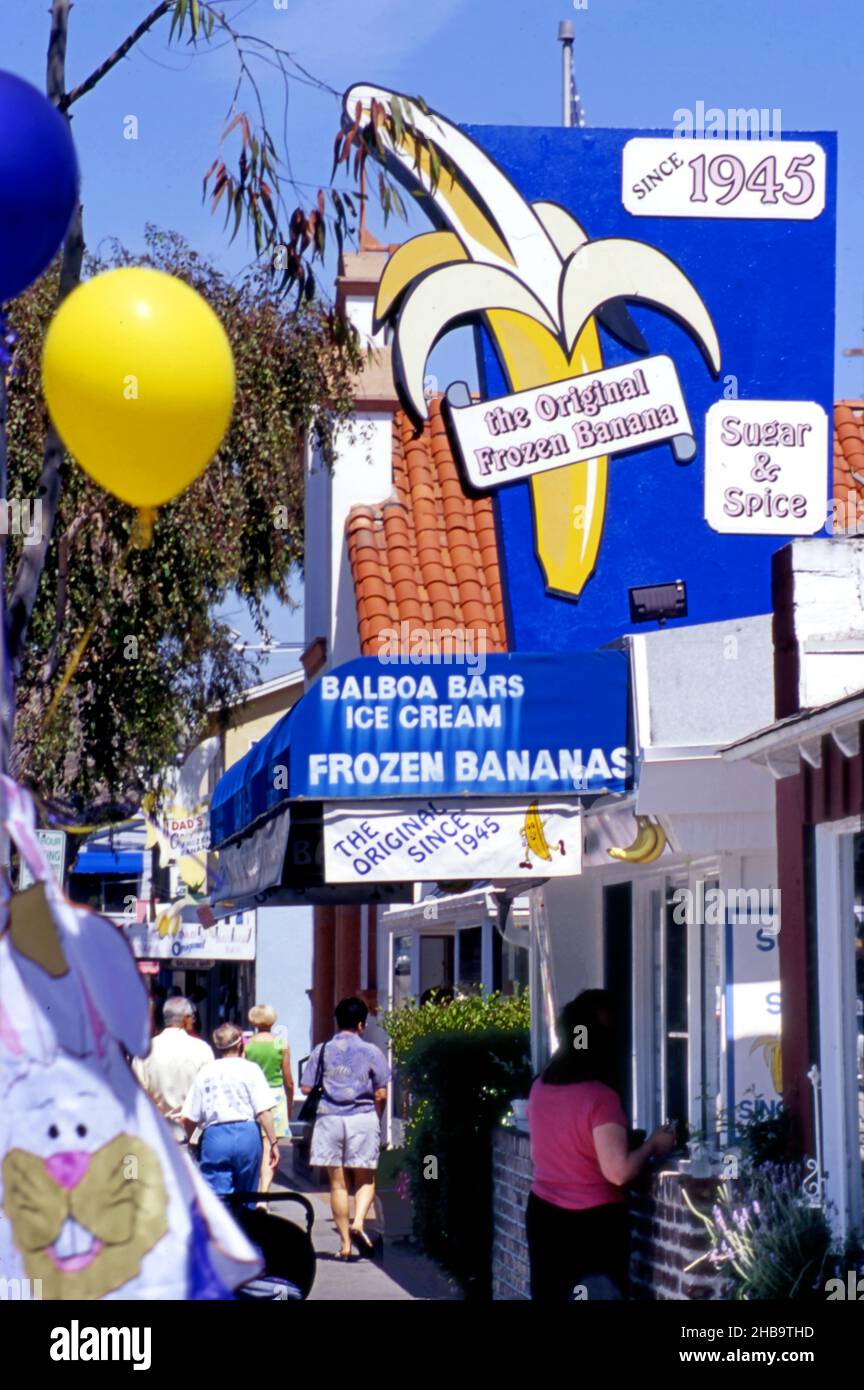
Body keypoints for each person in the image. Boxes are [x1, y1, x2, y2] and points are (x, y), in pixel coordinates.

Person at [526, 989, 676, 1302]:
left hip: (544, 1217)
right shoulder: (599, 1097)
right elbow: (618, 1172)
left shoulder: (539, 1087)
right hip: (590, 1226)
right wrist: (652, 1145)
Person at [300, 996, 389, 1261]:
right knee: (366, 1178)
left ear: (337, 1021)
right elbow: (382, 1093)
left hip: (329, 1119)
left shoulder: (322, 1050)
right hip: (362, 1118)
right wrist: (377, 1116)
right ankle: (359, 1221)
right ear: (361, 1024)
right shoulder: (372, 1052)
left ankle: (345, 1245)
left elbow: (306, 1087)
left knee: (338, 1184)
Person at [181, 1022, 280, 1200]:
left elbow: (190, 1116)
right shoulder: (251, 1069)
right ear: (239, 1044)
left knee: (219, 1199)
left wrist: (188, 1143)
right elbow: (264, 1112)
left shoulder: (206, 1071)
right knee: (247, 1195)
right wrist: (273, 1142)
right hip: (247, 1135)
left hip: (216, 1136)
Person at [132, 995, 214, 1143]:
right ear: (186, 1018)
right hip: (194, 1134)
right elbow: (210, 1093)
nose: (194, 1021)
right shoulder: (202, 1049)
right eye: (192, 1017)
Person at [245, 1004, 294, 1193]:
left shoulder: (247, 1043)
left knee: (253, 1143)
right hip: (274, 1097)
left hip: (252, 1096)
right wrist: (289, 1106)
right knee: (269, 1145)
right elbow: (288, 1080)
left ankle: (251, 1187)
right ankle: (264, 1191)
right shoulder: (280, 1044)